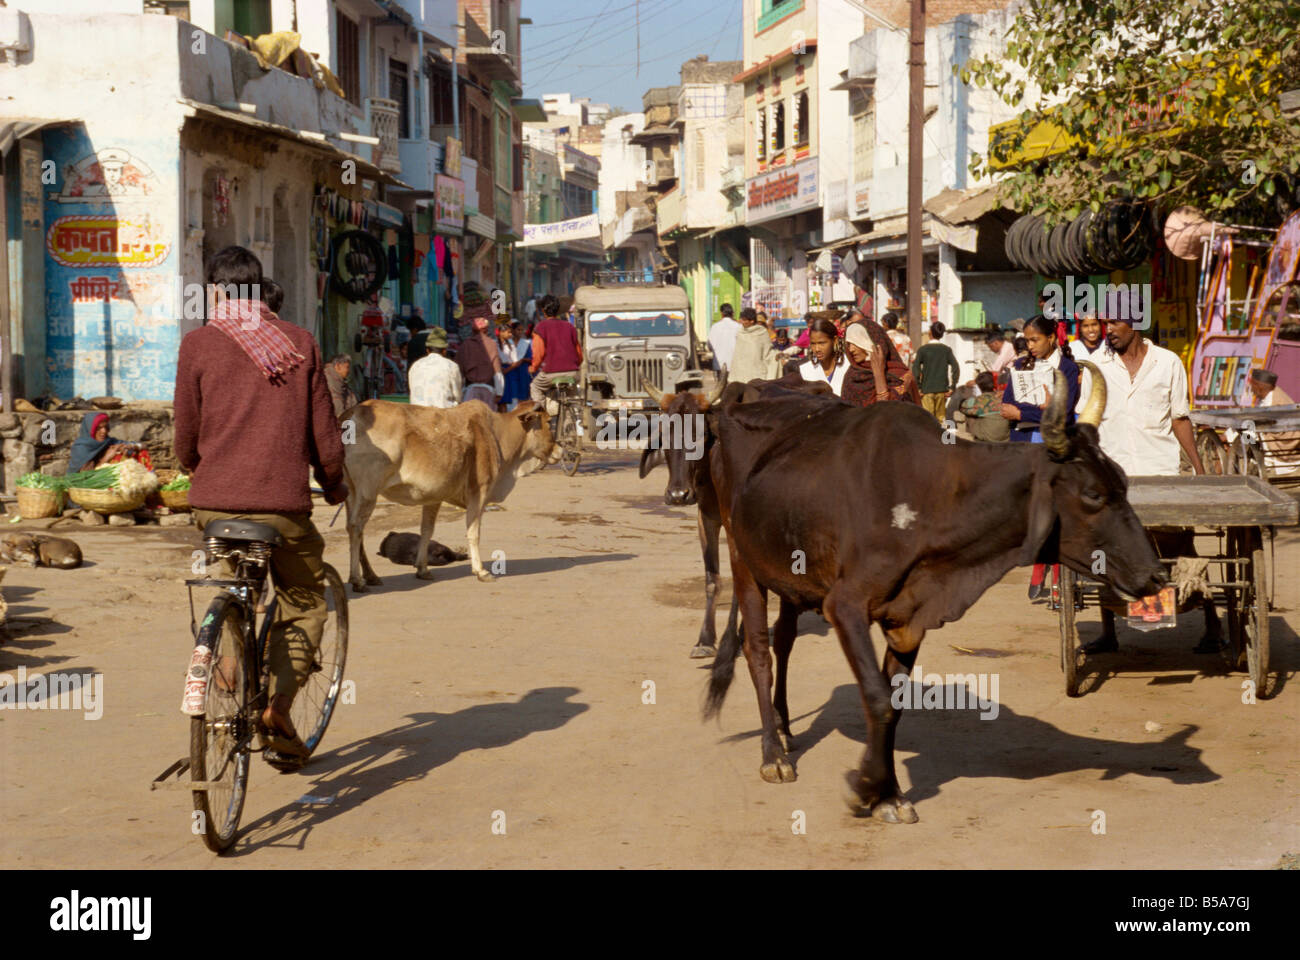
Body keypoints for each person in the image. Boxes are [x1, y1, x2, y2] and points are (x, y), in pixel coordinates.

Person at [173, 245, 347, 765]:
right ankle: (277, 706)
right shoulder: (297, 343)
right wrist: (333, 483)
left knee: (233, 585)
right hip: (281, 508)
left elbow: (186, 434)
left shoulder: (198, 345)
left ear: (216, 289)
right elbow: (324, 434)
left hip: (215, 507)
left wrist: (199, 470)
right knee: (303, 600)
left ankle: (228, 655)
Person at [1077, 293, 1213, 653]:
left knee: (1179, 545)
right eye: (1105, 323)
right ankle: (1109, 633)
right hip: (1113, 476)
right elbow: (1086, 420)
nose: (1108, 330)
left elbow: (1180, 417)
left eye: (1114, 323)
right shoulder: (1095, 365)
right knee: (1113, 550)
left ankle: (1212, 624)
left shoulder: (1168, 363)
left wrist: (1198, 469)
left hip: (1160, 472)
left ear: (1135, 323)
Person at [1002, 314, 1081, 603]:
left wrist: (1025, 413)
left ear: (1051, 338)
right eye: (1027, 341)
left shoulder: (1068, 369)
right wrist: (1041, 411)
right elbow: (1006, 406)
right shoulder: (1020, 366)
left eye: (1035, 340)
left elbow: (1064, 411)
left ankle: (1058, 575)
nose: (1030, 346)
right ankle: (1038, 568)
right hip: (1027, 449)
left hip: (1057, 449)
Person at [840, 320, 919, 407]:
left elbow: (888, 410)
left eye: (856, 343)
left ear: (871, 341)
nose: (851, 349)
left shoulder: (901, 376)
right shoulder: (852, 376)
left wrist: (879, 376)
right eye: (849, 344)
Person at [1244, 368, 1300, 476]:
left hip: (1285, 447)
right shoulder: (1271, 393)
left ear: (1258, 386)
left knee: (1245, 432)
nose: (1251, 389)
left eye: (1252, 385)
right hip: (1286, 439)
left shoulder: (1273, 403)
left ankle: (1252, 460)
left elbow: (1258, 423)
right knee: (1247, 430)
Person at [529, 294, 583, 404]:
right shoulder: (570, 327)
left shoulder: (540, 328)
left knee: (535, 387)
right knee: (572, 399)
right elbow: (579, 355)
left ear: (543, 310)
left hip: (550, 373)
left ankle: (543, 413)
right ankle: (573, 418)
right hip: (572, 373)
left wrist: (533, 368)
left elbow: (538, 354)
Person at [911, 321, 960, 422]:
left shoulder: (923, 350)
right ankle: (941, 437)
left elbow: (915, 369)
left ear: (930, 333)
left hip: (926, 390)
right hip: (942, 390)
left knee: (928, 420)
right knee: (941, 419)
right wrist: (952, 386)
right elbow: (955, 367)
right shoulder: (946, 350)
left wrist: (918, 387)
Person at [68, 413, 150, 473]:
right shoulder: (81, 448)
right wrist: (106, 458)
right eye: (99, 428)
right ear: (90, 430)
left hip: (108, 484)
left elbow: (144, 446)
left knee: (140, 453)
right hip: (85, 487)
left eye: (105, 427)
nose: (104, 431)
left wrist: (130, 446)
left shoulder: (108, 441)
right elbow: (85, 478)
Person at [789, 317, 850, 395]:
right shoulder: (805, 370)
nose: (817, 349)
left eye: (822, 343)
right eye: (813, 344)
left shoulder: (848, 366)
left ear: (835, 340)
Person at [408, 326, 463, 408]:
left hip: (418, 416)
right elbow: (458, 397)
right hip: (442, 416)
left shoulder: (415, 366)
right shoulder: (452, 366)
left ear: (427, 350)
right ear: (444, 350)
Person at [729, 307, 784, 383]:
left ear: (751, 321)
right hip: (739, 374)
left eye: (744, 320)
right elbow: (738, 354)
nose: (742, 322)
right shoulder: (740, 333)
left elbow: (767, 353)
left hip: (756, 374)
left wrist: (777, 355)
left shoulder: (762, 332)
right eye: (742, 319)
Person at [458, 313, 502, 407]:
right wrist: (499, 393)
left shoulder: (465, 345)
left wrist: (459, 394)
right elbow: (497, 372)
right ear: (486, 330)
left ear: (472, 330)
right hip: (488, 391)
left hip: (470, 390)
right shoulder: (492, 344)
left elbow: (459, 372)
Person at [960, 371, 1010, 442]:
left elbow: (963, 407)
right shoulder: (1001, 397)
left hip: (986, 440)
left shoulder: (979, 400)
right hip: (1005, 439)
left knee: (970, 414)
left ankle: (971, 440)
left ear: (979, 387)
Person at [500, 320, 533, 411]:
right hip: (510, 372)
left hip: (522, 371)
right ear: (513, 330)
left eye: (522, 330)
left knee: (523, 397)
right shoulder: (507, 342)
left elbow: (531, 359)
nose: (520, 332)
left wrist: (522, 360)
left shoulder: (526, 343)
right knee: (512, 396)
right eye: (518, 330)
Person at [706, 303, 742, 373]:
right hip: (734, 365)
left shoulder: (715, 327)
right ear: (732, 313)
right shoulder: (738, 327)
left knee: (720, 383)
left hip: (718, 365)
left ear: (721, 313)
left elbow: (709, 345)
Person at [324, 353, 359, 419]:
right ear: (338, 366)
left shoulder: (341, 383)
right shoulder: (328, 382)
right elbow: (338, 410)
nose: (348, 371)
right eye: (347, 367)